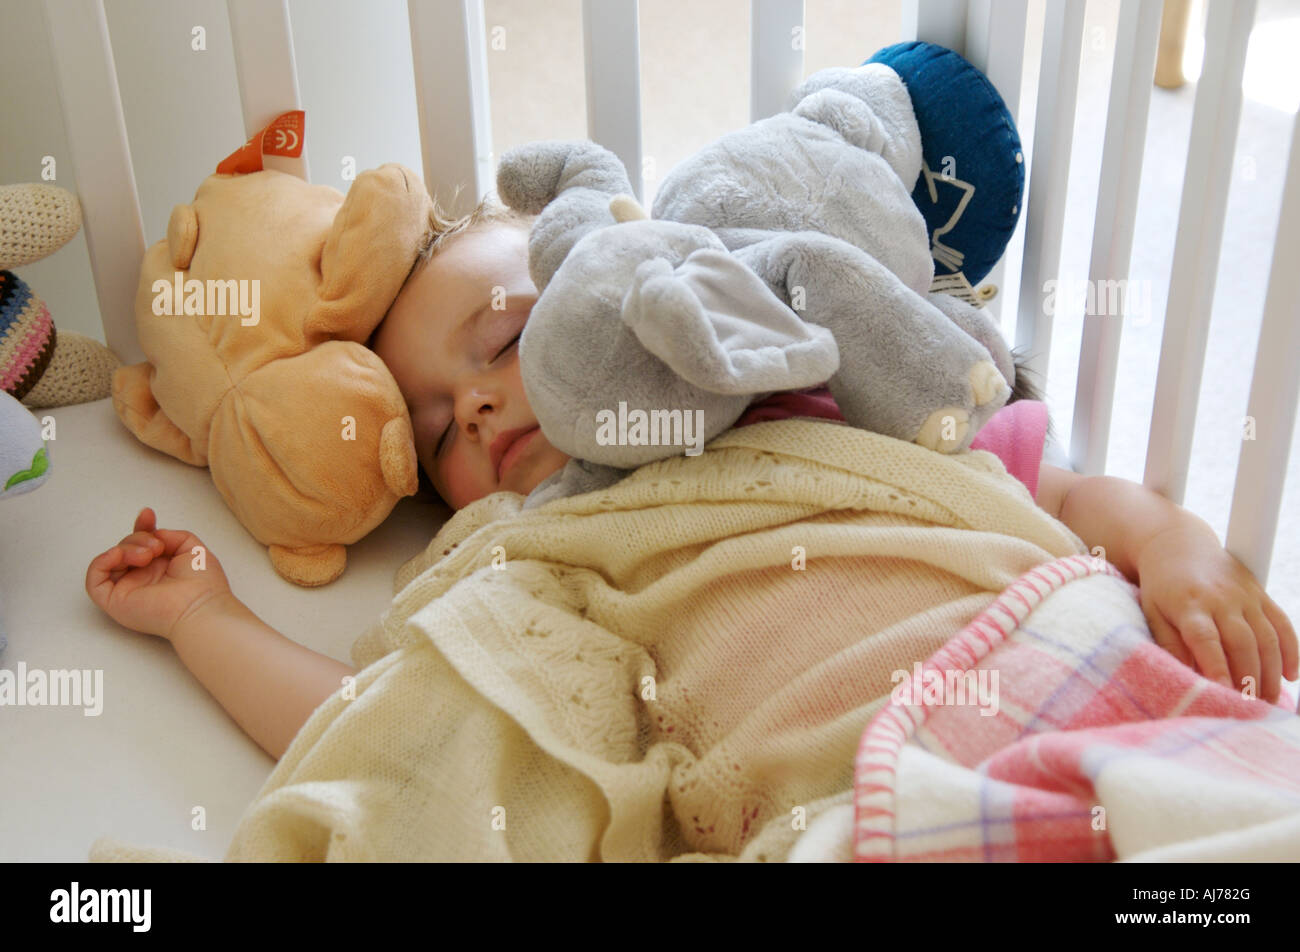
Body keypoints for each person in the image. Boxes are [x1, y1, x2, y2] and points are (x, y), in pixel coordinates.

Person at [84, 194, 1298, 761]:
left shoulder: (807, 394)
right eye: (439, 427)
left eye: (504, 344)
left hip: (1058, 655)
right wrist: (202, 615)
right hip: (841, 779)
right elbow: (396, 731)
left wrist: (1178, 545)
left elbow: (1051, 491)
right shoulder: (542, 558)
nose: (487, 405)